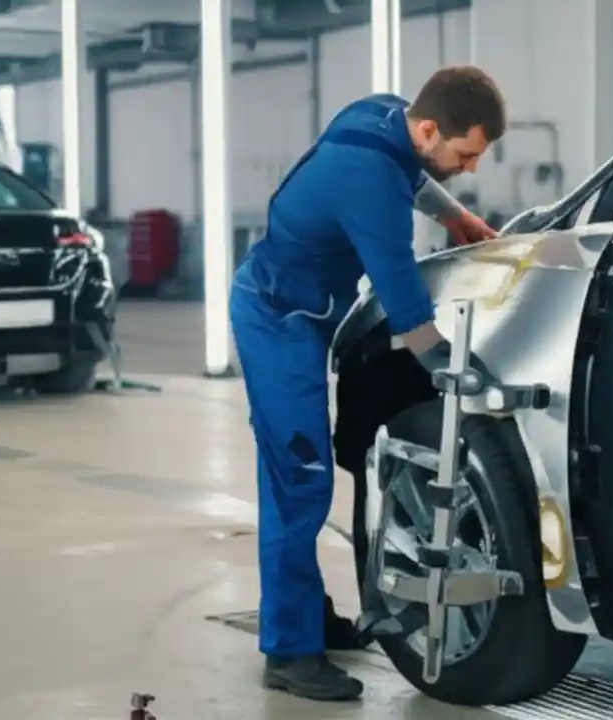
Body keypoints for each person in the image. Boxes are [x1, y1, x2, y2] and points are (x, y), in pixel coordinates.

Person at [229, 65, 507, 702]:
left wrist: (455, 215)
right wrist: (453, 372)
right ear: (432, 128)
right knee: (298, 476)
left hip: (304, 307)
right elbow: (402, 295)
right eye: (464, 155)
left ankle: (307, 617)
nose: (468, 167)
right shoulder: (370, 184)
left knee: (301, 475)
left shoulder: (384, 116)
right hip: (278, 318)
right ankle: (290, 652)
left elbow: (411, 175)